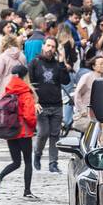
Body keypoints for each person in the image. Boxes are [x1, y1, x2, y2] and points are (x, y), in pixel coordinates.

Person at [0, 64, 38, 198]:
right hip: (24, 132)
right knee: (28, 161)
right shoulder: (25, 92)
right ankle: (27, 191)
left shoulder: (8, 91)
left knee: (16, 162)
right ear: (24, 76)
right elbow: (29, 115)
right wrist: (34, 126)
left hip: (11, 131)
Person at [29, 37, 71, 174]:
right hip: (41, 105)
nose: (50, 49)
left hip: (57, 104)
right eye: (48, 45)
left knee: (55, 135)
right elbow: (29, 83)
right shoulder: (35, 62)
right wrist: (34, 102)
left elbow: (65, 81)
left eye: (53, 47)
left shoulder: (57, 64)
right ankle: (37, 153)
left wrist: (62, 64)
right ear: (43, 46)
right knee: (43, 132)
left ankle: (53, 162)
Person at [72, 55, 103, 133]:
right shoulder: (87, 77)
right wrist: (82, 110)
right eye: (101, 64)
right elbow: (77, 93)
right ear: (94, 66)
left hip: (100, 115)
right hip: (87, 115)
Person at [0, 34, 25, 102]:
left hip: (6, 88)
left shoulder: (3, 57)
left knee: (6, 110)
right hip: (19, 87)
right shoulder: (22, 55)